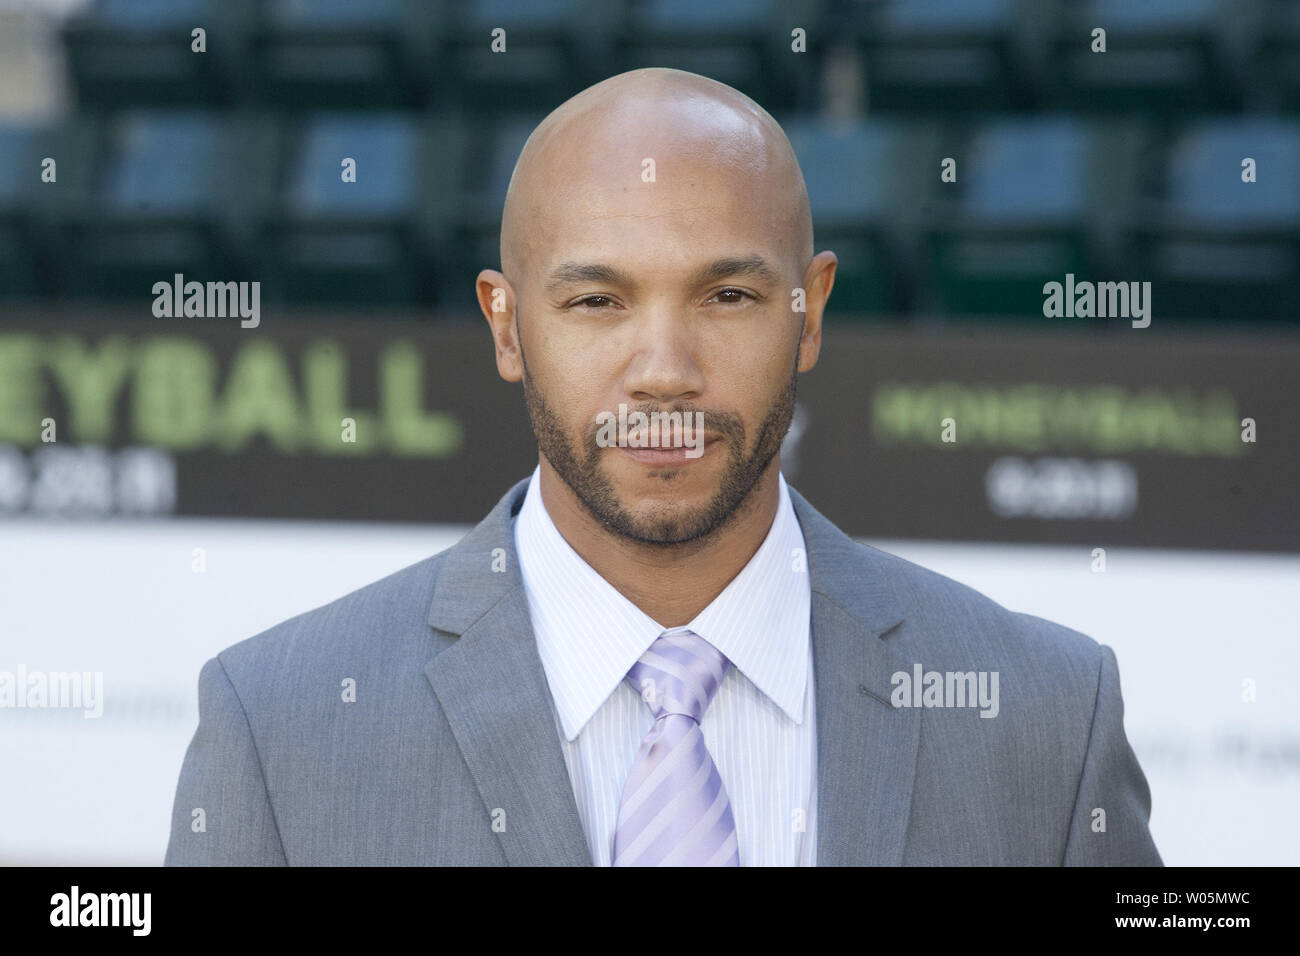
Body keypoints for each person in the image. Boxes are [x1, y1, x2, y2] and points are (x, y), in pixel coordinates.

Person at [165, 68, 1161, 866]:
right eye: (596, 302)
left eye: (726, 295)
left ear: (808, 308)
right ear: (504, 324)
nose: (665, 373)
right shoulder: (281, 724)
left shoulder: (1043, 714)